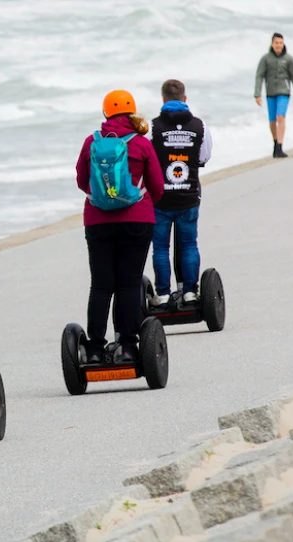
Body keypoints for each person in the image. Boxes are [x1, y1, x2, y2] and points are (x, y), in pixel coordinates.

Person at [75, 90, 165, 365]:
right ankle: (126, 346)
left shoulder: (92, 142)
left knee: (101, 285)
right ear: (132, 112)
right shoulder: (141, 143)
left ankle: (92, 349)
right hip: (137, 221)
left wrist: (104, 197)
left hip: (98, 223)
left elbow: (81, 181)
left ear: (106, 114)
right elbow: (158, 188)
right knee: (128, 283)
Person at [150, 80, 211, 308]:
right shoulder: (200, 126)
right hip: (189, 196)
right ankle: (190, 293)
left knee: (161, 247)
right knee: (188, 244)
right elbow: (204, 157)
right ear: (185, 99)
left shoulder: (152, 126)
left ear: (163, 99)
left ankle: (163, 294)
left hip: (161, 198)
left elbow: (148, 160)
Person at [254, 33, 293, 158]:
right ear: (272, 44)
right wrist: (257, 93)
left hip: (284, 93)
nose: (278, 45)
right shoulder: (265, 59)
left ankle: (280, 146)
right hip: (270, 93)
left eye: (280, 43)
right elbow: (259, 75)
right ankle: (275, 142)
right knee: (272, 120)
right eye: (276, 43)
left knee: (280, 117)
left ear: (283, 44)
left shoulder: (289, 59)